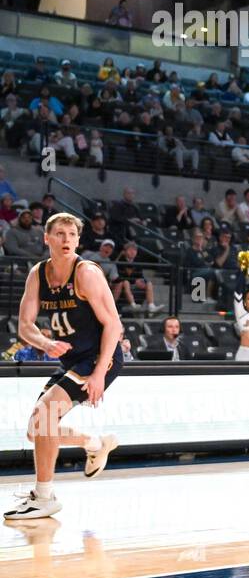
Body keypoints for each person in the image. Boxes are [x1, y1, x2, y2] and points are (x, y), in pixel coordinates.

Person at [5, 214, 125, 520]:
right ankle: (94, 443)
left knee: (45, 415)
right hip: (72, 360)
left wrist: (99, 373)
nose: (67, 239)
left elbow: (114, 324)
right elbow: (25, 325)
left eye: (72, 234)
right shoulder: (38, 274)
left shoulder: (86, 273)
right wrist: (45, 344)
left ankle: (44, 497)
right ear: (47, 239)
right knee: (37, 430)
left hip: (100, 356)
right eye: (59, 233)